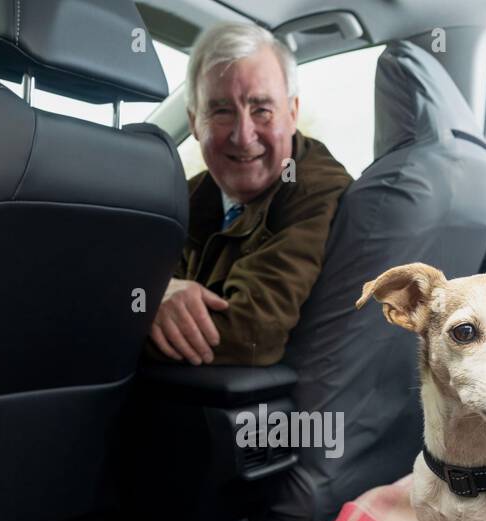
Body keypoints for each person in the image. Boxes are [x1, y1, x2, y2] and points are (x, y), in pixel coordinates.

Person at [148, 22, 353, 367]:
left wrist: (137, 311)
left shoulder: (314, 190)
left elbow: (251, 333)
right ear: (195, 122)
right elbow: (124, 276)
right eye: (222, 111)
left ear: (292, 114)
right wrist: (157, 295)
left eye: (261, 109)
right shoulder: (186, 196)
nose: (243, 136)